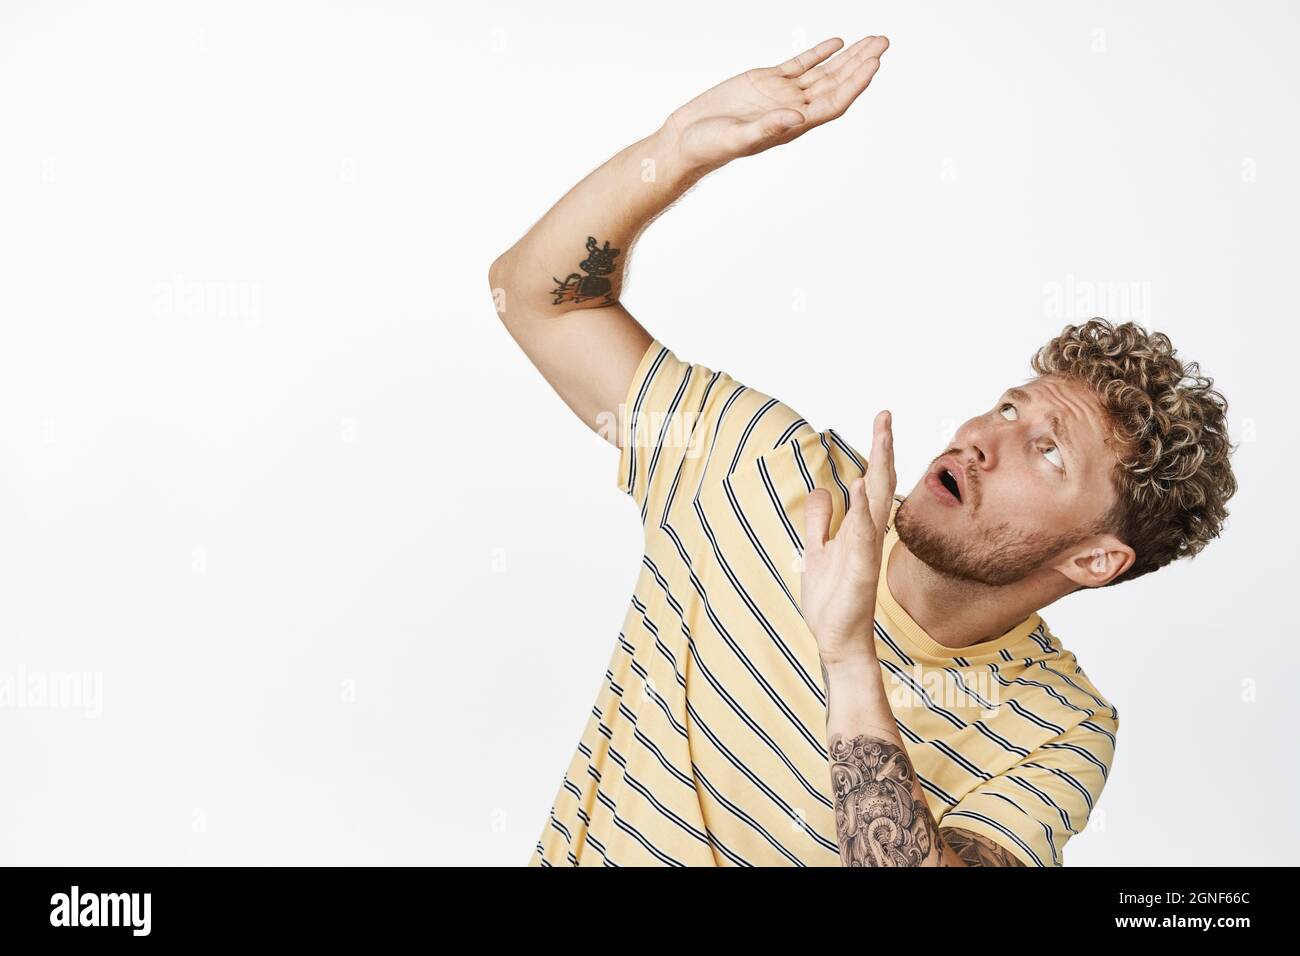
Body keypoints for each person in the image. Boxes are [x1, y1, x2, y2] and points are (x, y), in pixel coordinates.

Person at [488, 35, 1238, 866]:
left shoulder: (1057, 729)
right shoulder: (764, 472)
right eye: (1005, 407)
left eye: (1046, 453)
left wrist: (847, 654)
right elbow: (534, 298)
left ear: (1097, 559)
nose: (982, 441)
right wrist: (672, 153)